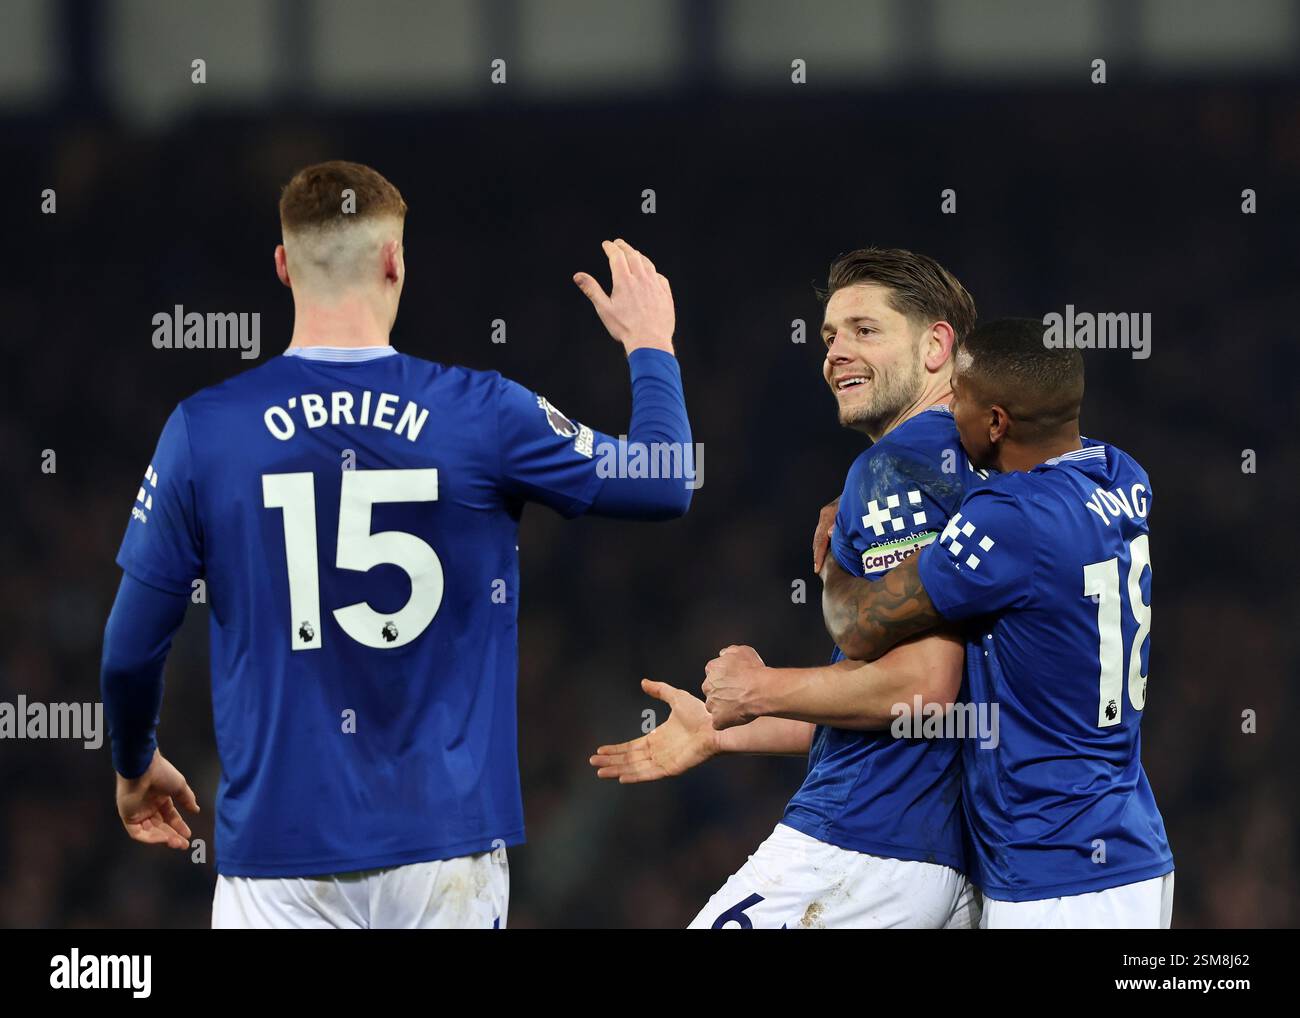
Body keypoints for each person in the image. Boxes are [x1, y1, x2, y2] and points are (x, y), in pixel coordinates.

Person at [100, 160, 693, 928]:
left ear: (283, 266)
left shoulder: (205, 431)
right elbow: (664, 480)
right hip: (444, 851)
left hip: (280, 861)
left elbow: (127, 646)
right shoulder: (482, 412)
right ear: (394, 260)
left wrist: (133, 759)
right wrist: (651, 345)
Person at [704, 317, 1174, 928]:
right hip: (1124, 845)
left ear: (997, 422)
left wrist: (842, 545)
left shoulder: (1009, 522)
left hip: (1057, 870)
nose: (948, 411)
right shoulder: (1121, 475)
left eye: (960, 399)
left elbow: (860, 625)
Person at [592, 248, 984, 928]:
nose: (835, 353)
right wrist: (731, 732)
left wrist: (761, 686)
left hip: (860, 841)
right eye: (830, 336)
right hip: (953, 860)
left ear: (935, 346)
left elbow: (919, 686)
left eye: (866, 330)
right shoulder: (993, 471)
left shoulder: (897, 465)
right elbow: (917, 711)